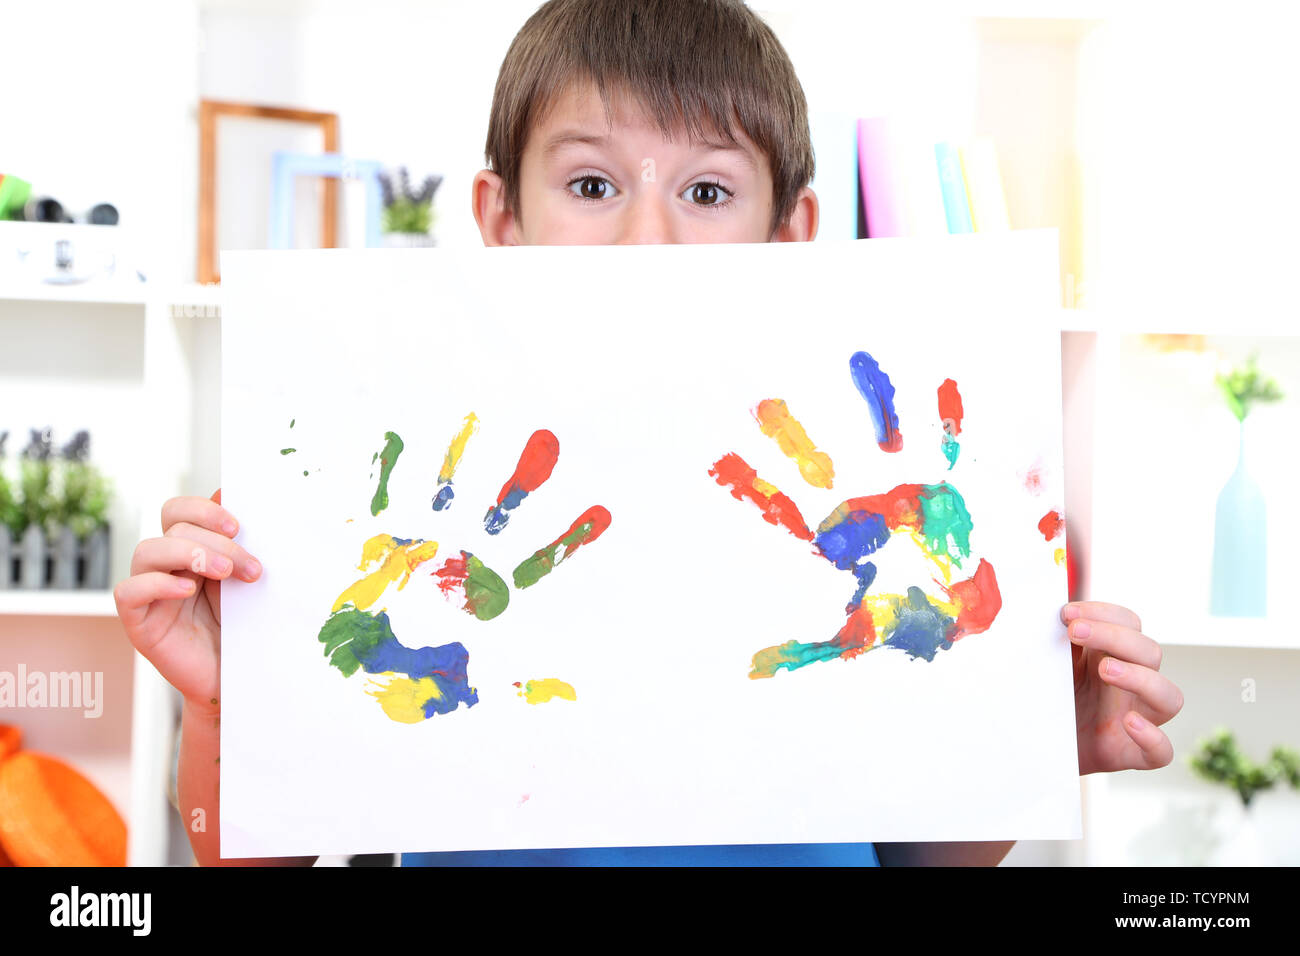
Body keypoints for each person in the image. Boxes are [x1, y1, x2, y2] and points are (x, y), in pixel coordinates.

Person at [115, 0, 1184, 867]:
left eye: (707, 189)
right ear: (500, 218)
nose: (646, 236)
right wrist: (230, 702)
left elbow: (922, 862)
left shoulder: (846, 487)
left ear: (789, 231)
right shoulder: (364, 488)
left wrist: (1021, 733)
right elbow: (239, 860)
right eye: (590, 183)